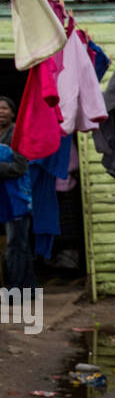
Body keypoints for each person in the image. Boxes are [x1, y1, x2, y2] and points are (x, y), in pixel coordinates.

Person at [0, 95, 33, 291]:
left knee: (16, 244)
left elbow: (20, 167)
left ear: (13, 113)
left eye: (4, 108)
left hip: (16, 199)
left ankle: (15, 290)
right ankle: (27, 290)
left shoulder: (18, 135)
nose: (1, 112)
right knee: (18, 246)